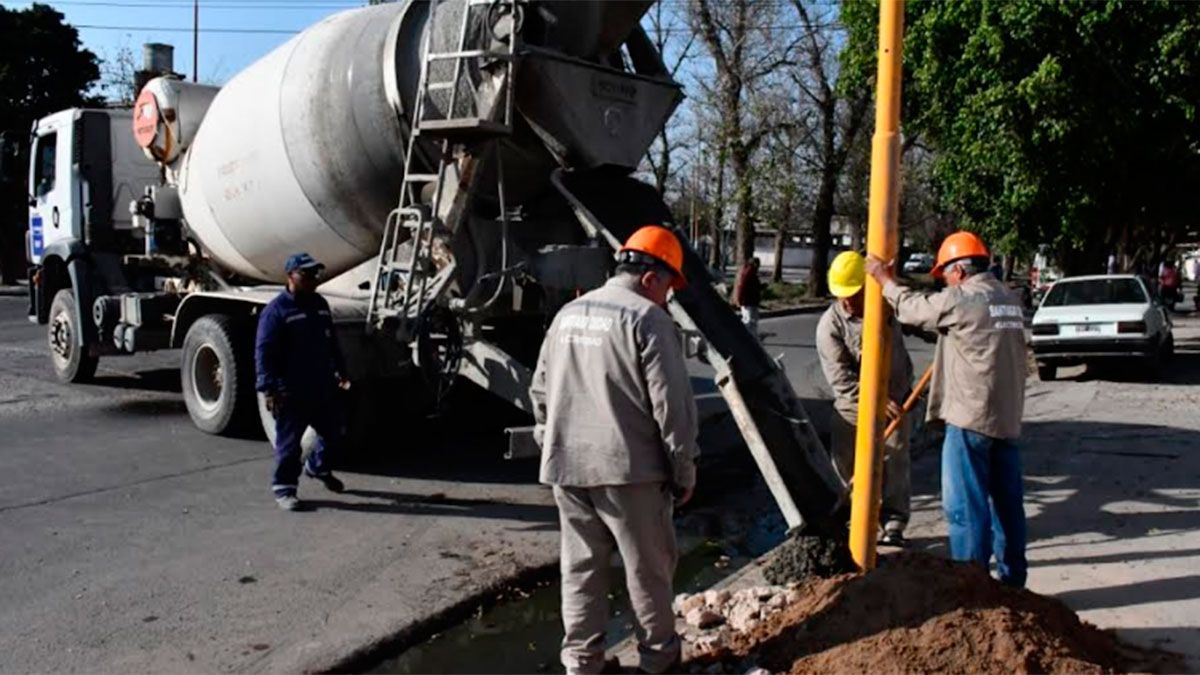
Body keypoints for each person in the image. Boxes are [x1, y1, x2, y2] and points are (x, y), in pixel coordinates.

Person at [531, 225, 699, 675]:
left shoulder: (568, 314)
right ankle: (659, 660)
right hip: (629, 470)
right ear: (651, 278)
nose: (668, 298)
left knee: (580, 568)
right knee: (647, 570)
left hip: (567, 466)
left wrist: (550, 440)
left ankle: (582, 663)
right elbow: (672, 409)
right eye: (668, 288)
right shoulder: (649, 320)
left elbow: (540, 391)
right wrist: (683, 470)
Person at [865, 231, 1028, 587]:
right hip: (1007, 419)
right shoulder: (1009, 298)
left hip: (971, 419)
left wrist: (884, 279)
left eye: (946, 276)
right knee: (1007, 506)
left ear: (959, 270)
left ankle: (971, 587)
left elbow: (913, 308)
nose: (945, 282)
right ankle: (1013, 585)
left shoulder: (962, 299)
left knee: (966, 510)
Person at [816, 251, 914, 546]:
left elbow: (918, 318)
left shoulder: (887, 305)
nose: (847, 302)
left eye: (854, 295)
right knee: (848, 466)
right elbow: (841, 380)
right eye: (842, 296)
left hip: (895, 402)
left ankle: (893, 523)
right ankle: (851, 522)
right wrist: (874, 399)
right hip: (854, 406)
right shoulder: (830, 326)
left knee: (895, 461)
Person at [255, 252, 350, 512]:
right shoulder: (276, 311)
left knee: (335, 432)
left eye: (315, 274)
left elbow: (331, 341)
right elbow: (263, 352)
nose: (313, 279)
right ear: (290, 276)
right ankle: (284, 489)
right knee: (289, 446)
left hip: (322, 385)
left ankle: (318, 467)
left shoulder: (319, 304)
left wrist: (341, 370)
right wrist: (268, 388)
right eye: (306, 274)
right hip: (291, 391)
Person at [733, 256, 763, 335]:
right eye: (758, 264)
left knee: (752, 319)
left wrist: (761, 287)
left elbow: (753, 285)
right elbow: (741, 286)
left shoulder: (751, 272)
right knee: (748, 320)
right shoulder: (748, 272)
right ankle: (744, 335)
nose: (759, 266)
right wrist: (739, 299)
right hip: (747, 300)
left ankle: (751, 335)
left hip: (751, 300)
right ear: (754, 264)